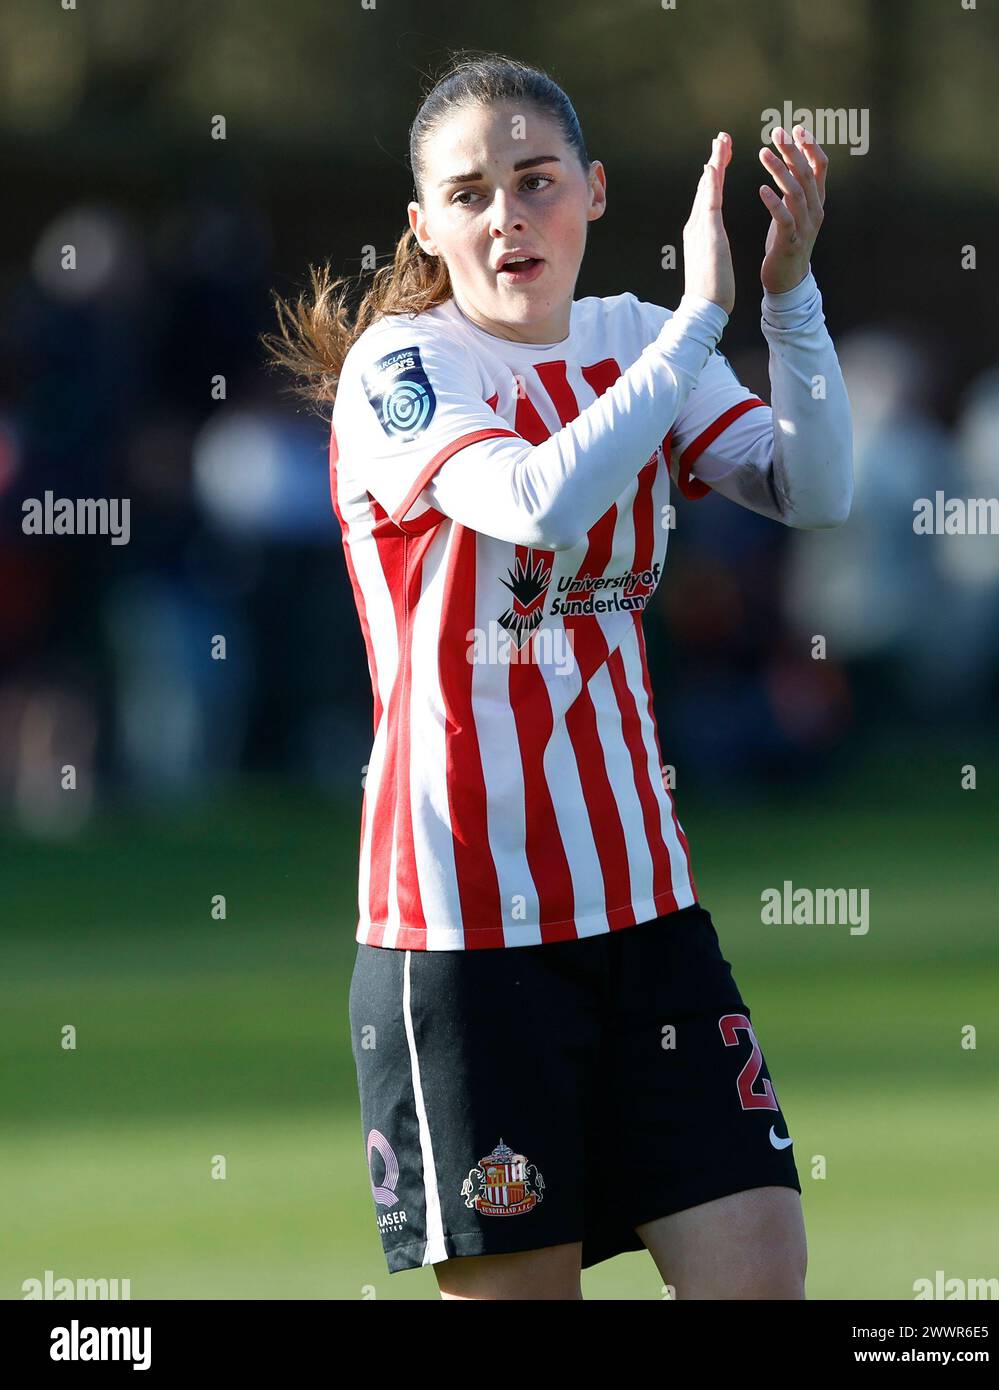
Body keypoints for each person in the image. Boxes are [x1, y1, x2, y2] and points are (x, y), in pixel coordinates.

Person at [262, 51, 852, 1300]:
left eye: (536, 182)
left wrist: (784, 297)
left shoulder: (633, 340)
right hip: (464, 935)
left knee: (761, 1278)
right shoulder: (401, 371)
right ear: (425, 224)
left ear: (592, 192)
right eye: (469, 194)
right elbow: (531, 502)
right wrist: (701, 320)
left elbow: (815, 487)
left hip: (644, 907)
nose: (507, 216)